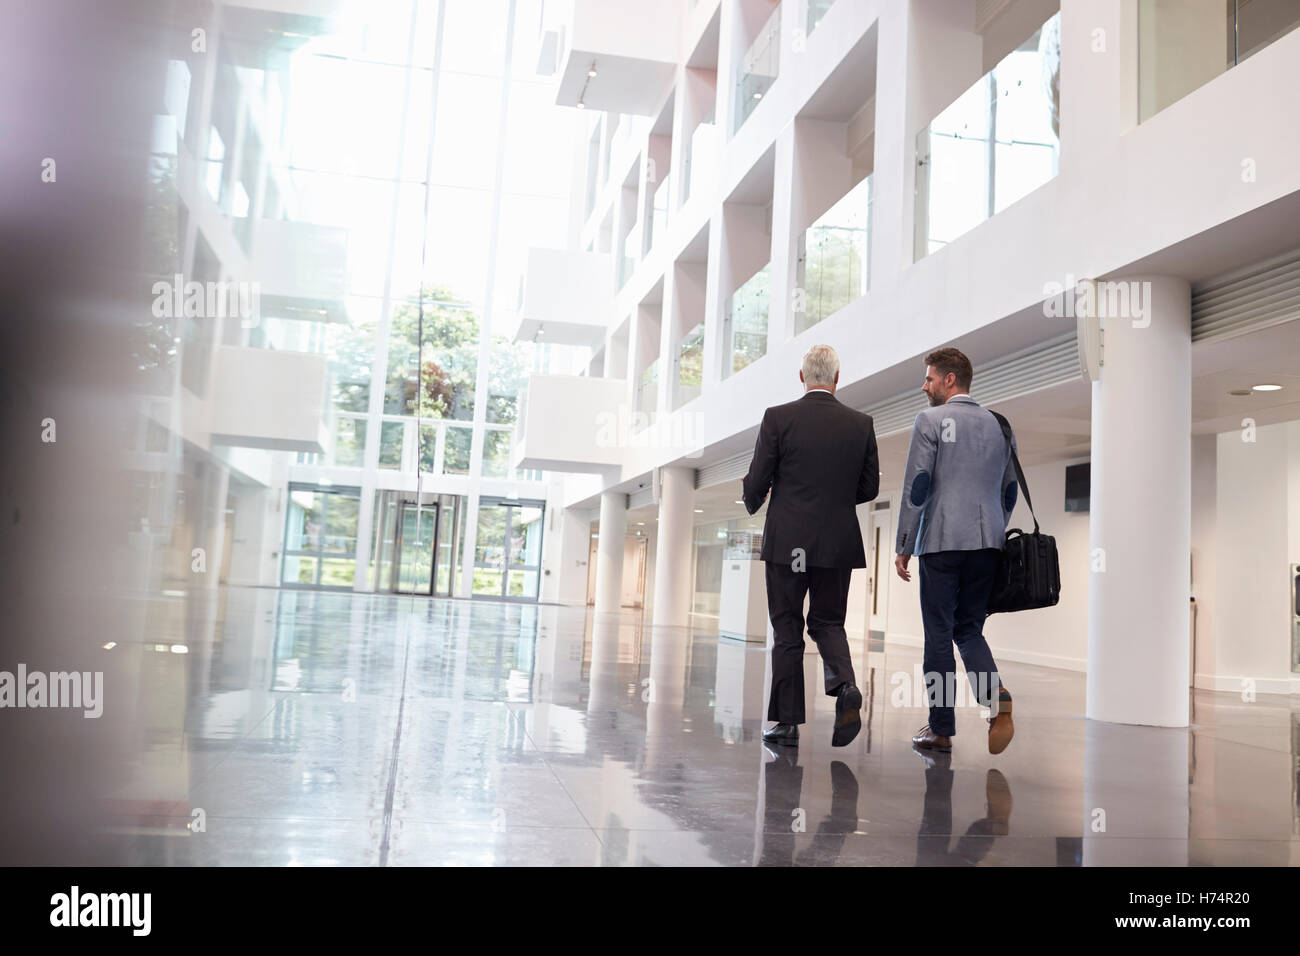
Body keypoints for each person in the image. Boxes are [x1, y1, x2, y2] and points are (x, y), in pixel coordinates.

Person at [741, 345, 880, 748]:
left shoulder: (778, 418)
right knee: (828, 622)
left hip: (787, 543)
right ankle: (845, 685)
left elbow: (757, 477)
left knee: (788, 629)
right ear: (837, 378)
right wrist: (833, 503)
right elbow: (868, 487)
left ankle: (786, 725)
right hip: (836, 543)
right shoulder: (861, 423)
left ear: (801, 377)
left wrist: (753, 499)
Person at [894, 347, 1017, 755]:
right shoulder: (999, 424)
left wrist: (904, 545)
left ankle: (941, 729)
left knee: (939, 635)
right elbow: (1009, 489)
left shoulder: (930, 420)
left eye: (929, 378)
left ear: (950, 380)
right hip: (988, 545)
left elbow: (918, 486)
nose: (924, 385)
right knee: (969, 628)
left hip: (943, 541)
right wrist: (993, 527)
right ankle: (994, 692)